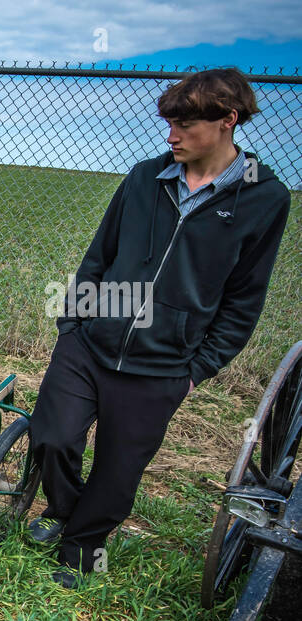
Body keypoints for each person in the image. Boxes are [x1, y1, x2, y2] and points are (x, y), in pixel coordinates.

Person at [29, 67, 291, 588]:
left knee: (119, 470)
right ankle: (63, 509)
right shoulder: (144, 177)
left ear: (227, 121)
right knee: (52, 437)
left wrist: (196, 369)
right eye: (168, 123)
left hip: (163, 365)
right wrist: (72, 323)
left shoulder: (264, 198)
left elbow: (244, 298)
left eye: (184, 126)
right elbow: (98, 255)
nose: (171, 135)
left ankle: (83, 546)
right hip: (89, 343)